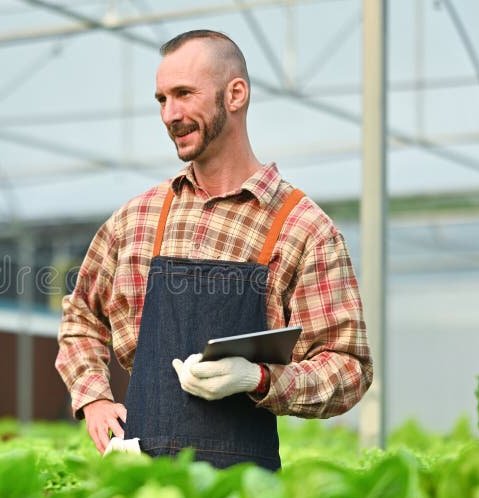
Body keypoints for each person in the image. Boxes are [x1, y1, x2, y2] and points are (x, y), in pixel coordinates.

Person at [55, 29, 372, 471]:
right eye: (162, 99)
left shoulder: (303, 229)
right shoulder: (136, 220)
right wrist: (94, 398)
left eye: (184, 94)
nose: (170, 114)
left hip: (242, 492)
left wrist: (261, 379)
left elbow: (348, 367)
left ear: (235, 94)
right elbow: (81, 316)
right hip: (141, 483)